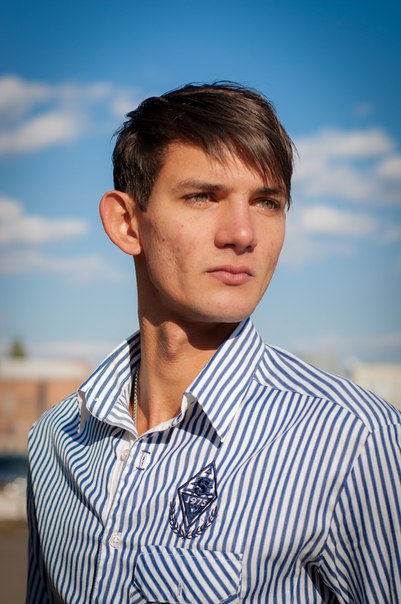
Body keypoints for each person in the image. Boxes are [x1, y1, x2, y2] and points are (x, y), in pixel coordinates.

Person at [27, 82, 401, 603]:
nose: (242, 234)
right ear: (127, 224)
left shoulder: (356, 439)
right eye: (202, 197)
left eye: (267, 202)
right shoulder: (54, 441)